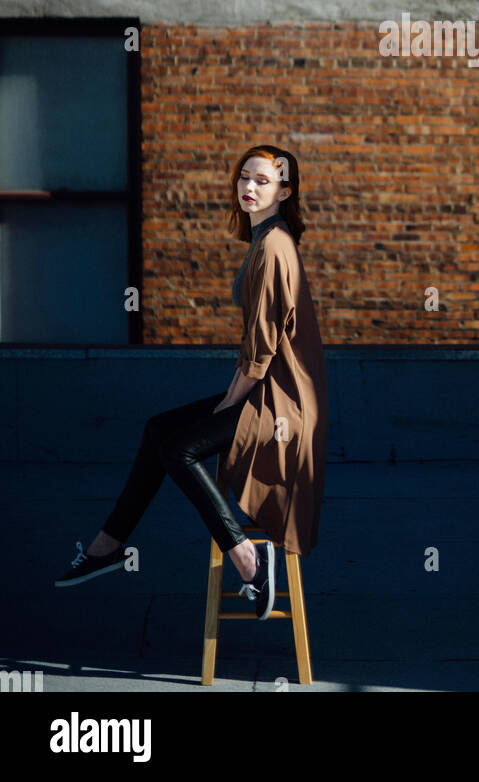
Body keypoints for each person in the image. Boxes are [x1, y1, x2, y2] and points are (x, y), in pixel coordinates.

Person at [54, 145, 329, 626]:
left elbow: (261, 354)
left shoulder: (273, 246)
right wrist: (229, 401)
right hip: (270, 393)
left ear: (285, 191)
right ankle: (107, 547)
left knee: (178, 447)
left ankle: (247, 560)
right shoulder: (267, 239)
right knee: (159, 428)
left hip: (282, 408)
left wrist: (228, 404)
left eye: (263, 181)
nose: (249, 187)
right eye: (244, 177)